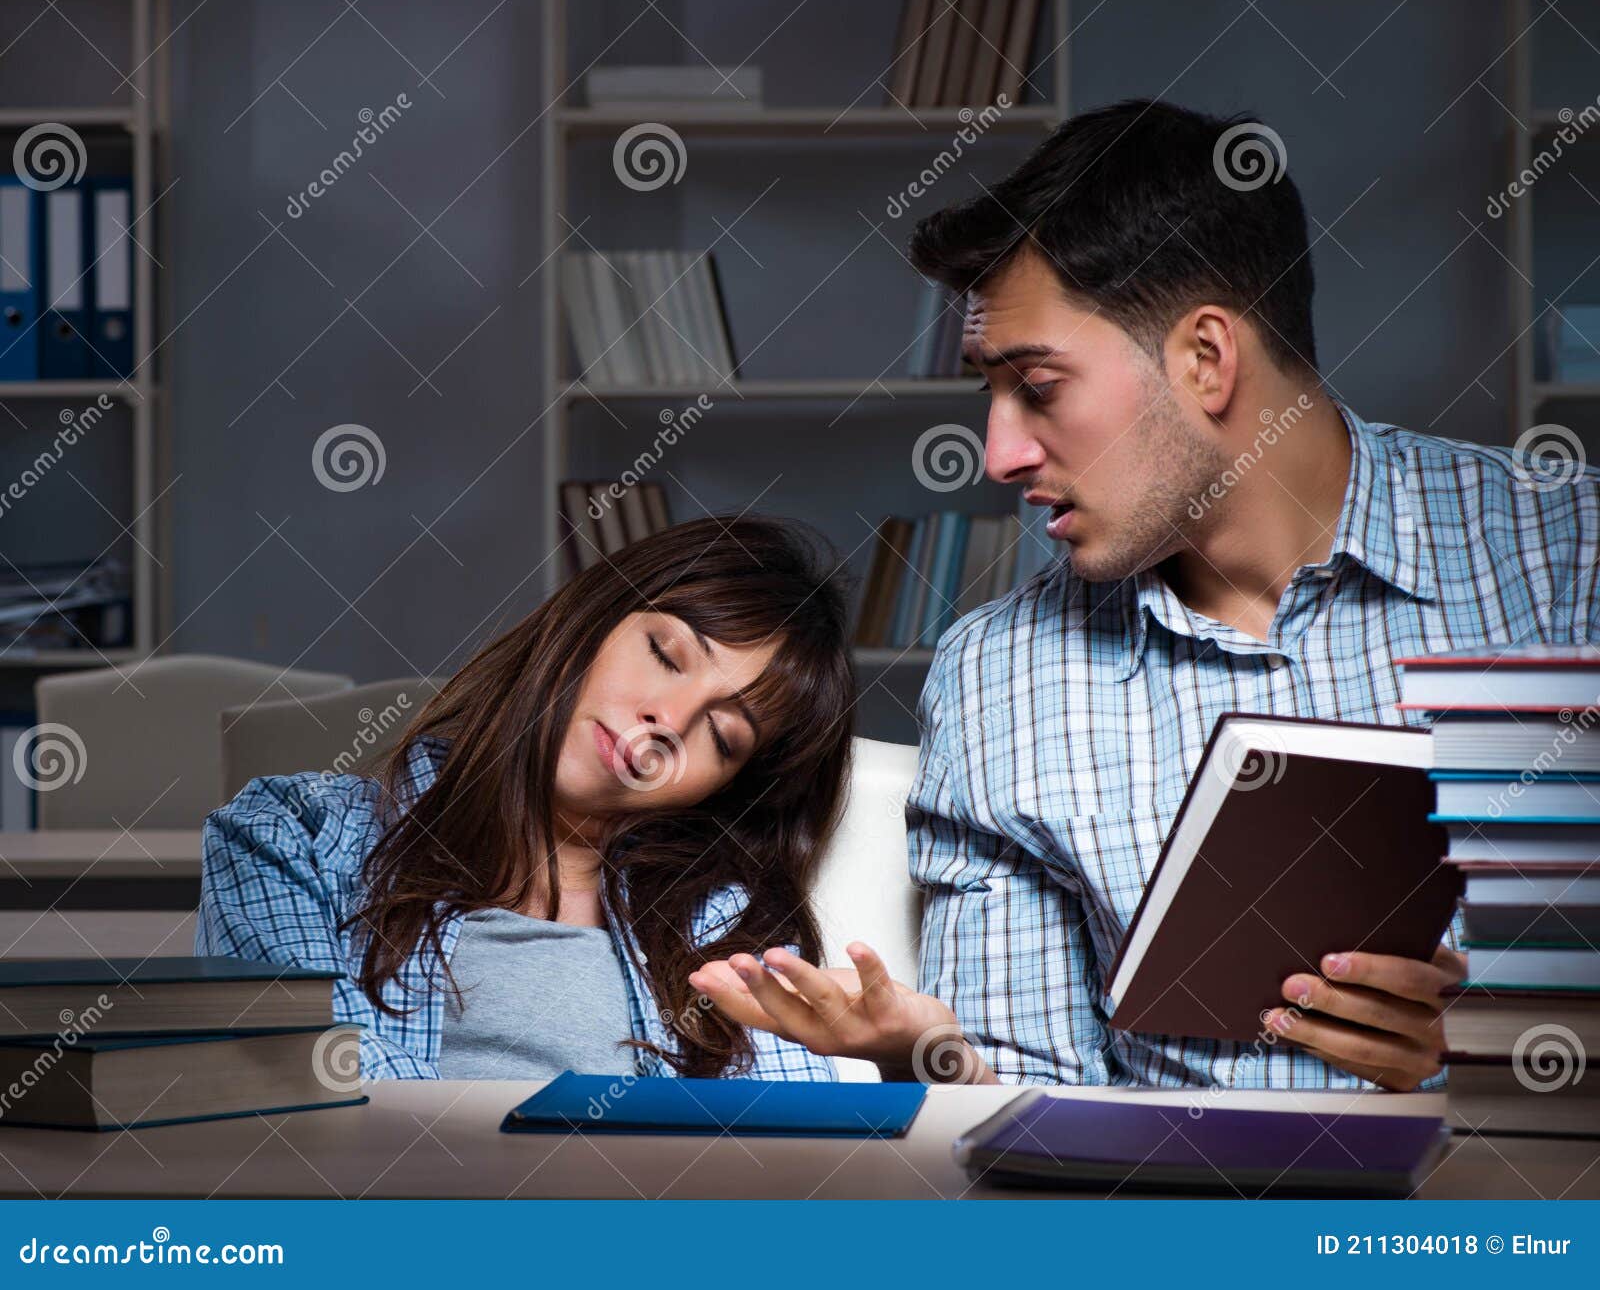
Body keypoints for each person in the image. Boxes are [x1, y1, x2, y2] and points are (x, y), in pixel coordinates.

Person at [690, 98, 1600, 1092]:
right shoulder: (1002, 675)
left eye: (1036, 385)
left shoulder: (1566, 551)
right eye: (986, 393)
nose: (997, 454)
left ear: (1204, 360)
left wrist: (1503, 1044)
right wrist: (932, 1058)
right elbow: (1033, 1113)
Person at [198, 515, 856, 1081]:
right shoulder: (290, 836)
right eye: (664, 653)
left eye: (722, 734)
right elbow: (329, 1099)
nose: (669, 720)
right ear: (590, 618)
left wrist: (912, 1059)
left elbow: (791, 1154)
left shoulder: (722, 926)